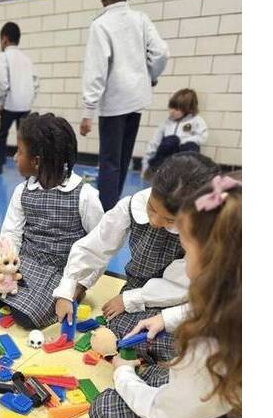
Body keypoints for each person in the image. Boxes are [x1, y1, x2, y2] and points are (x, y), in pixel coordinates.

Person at [89, 173, 242, 418]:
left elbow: (164, 413)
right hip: (221, 402)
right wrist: (165, 320)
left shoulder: (207, 346)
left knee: (107, 406)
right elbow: (209, 308)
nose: (183, 263)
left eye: (187, 251)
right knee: (158, 371)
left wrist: (120, 368)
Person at [53, 152, 217, 362]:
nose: (156, 221)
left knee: (191, 345)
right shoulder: (131, 206)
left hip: (183, 300)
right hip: (139, 291)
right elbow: (93, 248)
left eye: (168, 220)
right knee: (120, 326)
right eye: (151, 209)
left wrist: (132, 300)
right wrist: (68, 290)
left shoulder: (200, 234)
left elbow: (184, 288)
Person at [0, 114, 102, 329]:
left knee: (28, 319)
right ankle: (21, 299)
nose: (14, 157)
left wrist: (78, 286)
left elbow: (98, 248)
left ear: (37, 161)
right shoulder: (22, 190)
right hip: (24, 262)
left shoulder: (85, 195)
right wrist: (3, 265)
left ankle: (33, 301)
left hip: (61, 271)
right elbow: (10, 233)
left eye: (19, 151)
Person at [79, 0, 169, 211]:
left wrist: (88, 112)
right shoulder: (141, 19)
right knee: (123, 158)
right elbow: (161, 53)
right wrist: (151, 75)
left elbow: (96, 72)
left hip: (114, 104)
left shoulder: (101, 25)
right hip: (136, 100)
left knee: (109, 162)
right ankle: (115, 207)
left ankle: (106, 215)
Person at [0, 22, 38, 174]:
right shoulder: (27, 58)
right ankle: (27, 166)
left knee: (2, 134)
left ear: (4, 39)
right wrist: (29, 99)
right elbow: (36, 82)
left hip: (9, 104)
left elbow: (2, 83)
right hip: (25, 105)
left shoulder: (3, 57)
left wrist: (1, 102)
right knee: (24, 138)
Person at [143, 89, 208, 174]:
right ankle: (156, 169)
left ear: (188, 109)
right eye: (171, 107)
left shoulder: (197, 121)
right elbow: (154, 143)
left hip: (182, 158)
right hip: (166, 158)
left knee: (191, 146)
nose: (172, 111)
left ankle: (187, 174)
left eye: (177, 109)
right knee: (172, 140)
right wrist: (145, 165)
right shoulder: (166, 123)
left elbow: (202, 137)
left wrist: (182, 141)